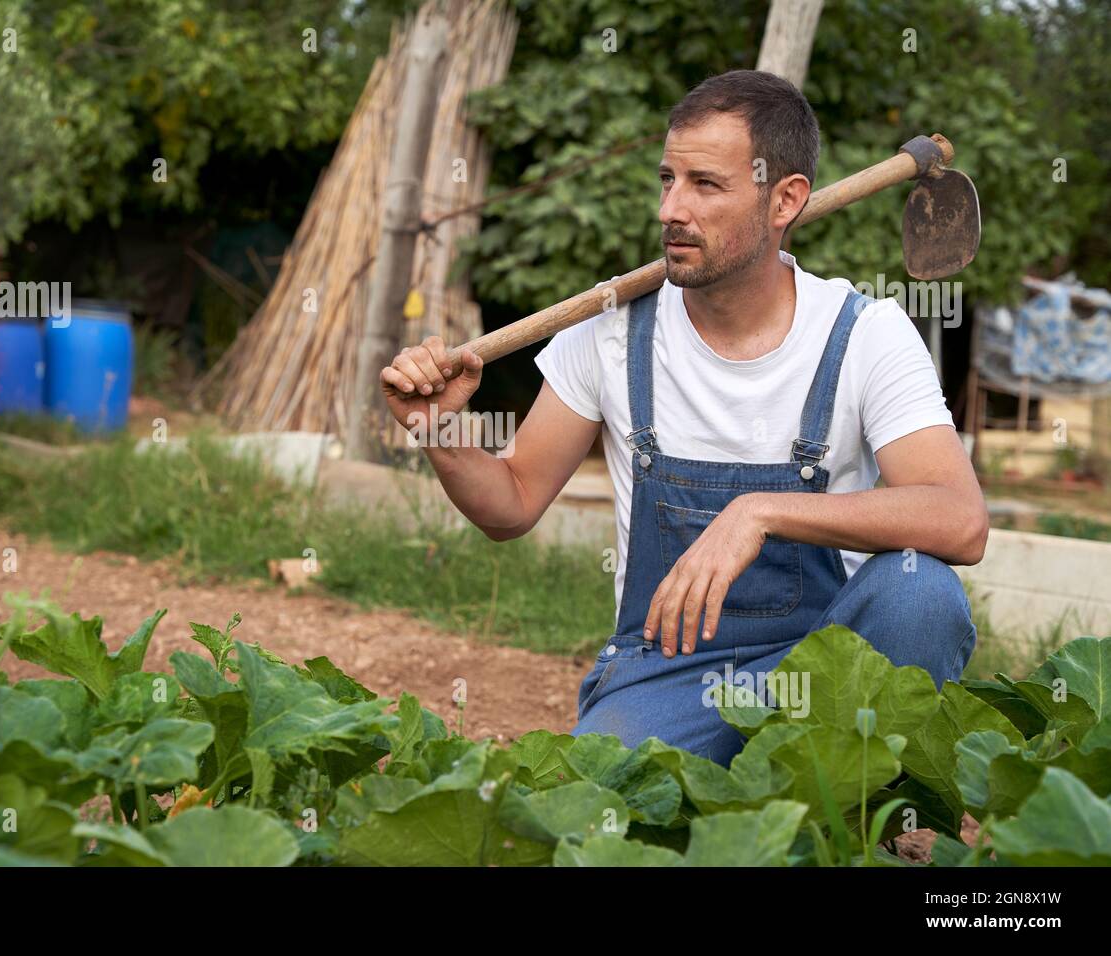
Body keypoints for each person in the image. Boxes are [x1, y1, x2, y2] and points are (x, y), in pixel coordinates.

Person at [378, 69, 986, 767]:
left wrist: (759, 511)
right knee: (601, 796)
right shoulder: (610, 335)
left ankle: (867, 802)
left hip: (827, 670)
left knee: (921, 593)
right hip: (671, 674)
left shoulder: (862, 334)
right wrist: (441, 433)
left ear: (785, 199)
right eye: (667, 180)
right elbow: (510, 504)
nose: (671, 208)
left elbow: (958, 519)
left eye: (705, 185)